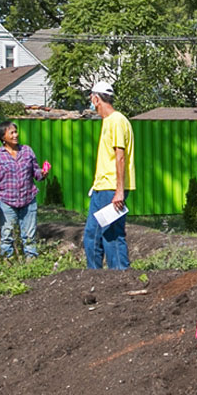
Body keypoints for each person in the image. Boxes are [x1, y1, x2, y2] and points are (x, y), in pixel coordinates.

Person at [81, 81, 133, 270]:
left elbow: (120, 157)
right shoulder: (109, 121)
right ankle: (96, 278)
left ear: (96, 98)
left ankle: (121, 277)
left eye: (91, 99)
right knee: (93, 236)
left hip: (110, 188)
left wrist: (119, 192)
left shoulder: (117, 121)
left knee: (111, 235)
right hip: (102, 187)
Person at [0, 121, 49, 259]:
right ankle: (6, 264)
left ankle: (31, 264)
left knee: (29, 235)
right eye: (12, 133)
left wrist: (43, 173)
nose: (15, 135)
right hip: (6, 202)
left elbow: (35, 173)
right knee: (7, 235)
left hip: (28, 199)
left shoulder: (27, 151)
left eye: (16, 132)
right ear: (3, 137)